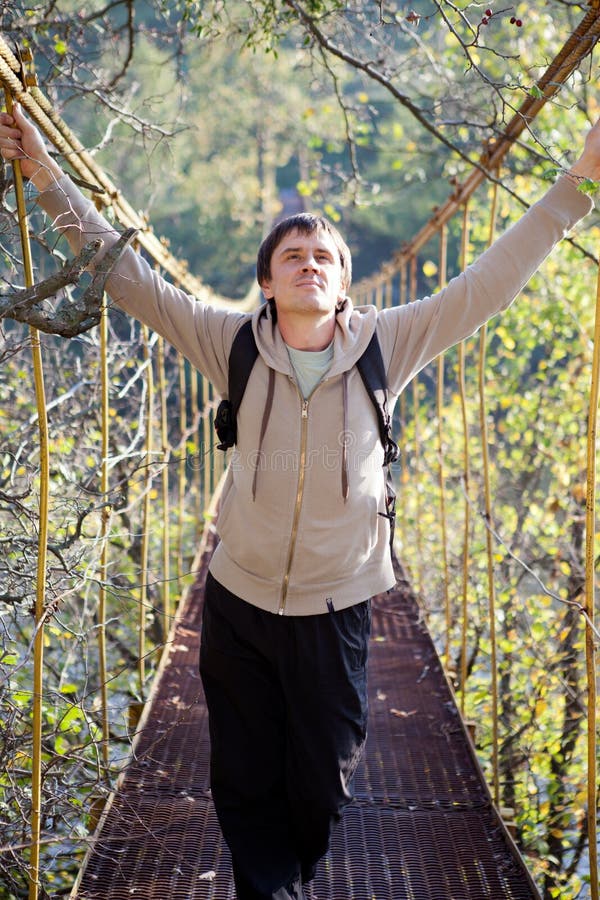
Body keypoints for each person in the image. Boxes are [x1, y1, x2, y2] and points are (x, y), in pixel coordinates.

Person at [1, 103, 599, 900]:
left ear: (346, 280)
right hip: (239, 596)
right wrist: (43, 175)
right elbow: (124, 275)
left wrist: (579, 181)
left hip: (337, 603)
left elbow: (488, 282)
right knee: (244, 779)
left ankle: (290, 870)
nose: (309, 264)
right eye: (292, 255)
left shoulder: (390, 342)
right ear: (266, 280)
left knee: (321, 784)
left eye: (324, 255)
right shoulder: (230, 342)